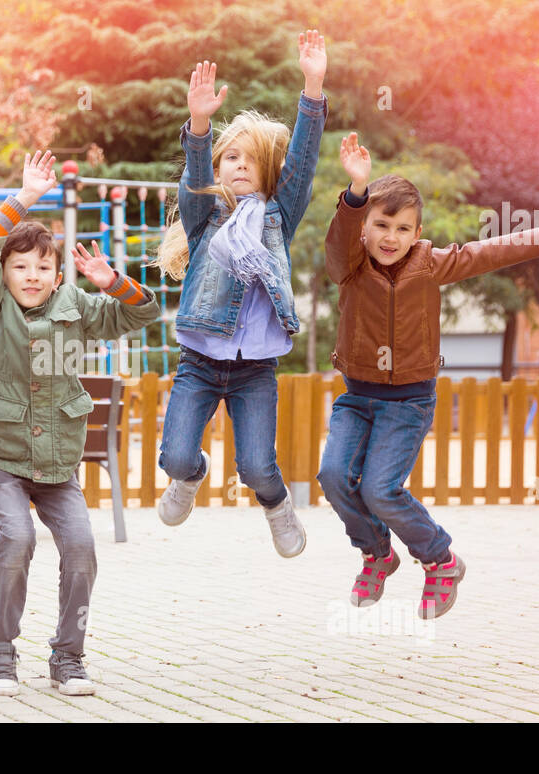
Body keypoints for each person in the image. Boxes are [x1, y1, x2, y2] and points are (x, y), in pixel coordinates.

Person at [320, 131, 539, 618]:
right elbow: (338, 241)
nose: (392, 238)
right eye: (382, 225)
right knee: (333, 477)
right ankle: (377, 554)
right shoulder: (349, 266)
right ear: (364, 228)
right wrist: (355, 193)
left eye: (404, 229)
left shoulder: (431, 265)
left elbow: (499, 248)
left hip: (408, 402)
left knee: (379, 490)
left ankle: (440, 561)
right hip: (358, 396)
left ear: (417, 233)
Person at [0, 151, 160, 696]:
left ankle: (68, 657)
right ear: (5, 273)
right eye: (20, 267)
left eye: (43, 267)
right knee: (17, 540)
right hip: (2, 457)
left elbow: (139, 314)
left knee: (81, 550)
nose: (31, 276)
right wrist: (24, 196)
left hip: (58, 465)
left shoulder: (76, 303)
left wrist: (111, 280)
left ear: (57, 273)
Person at [152, 31, 329, 558]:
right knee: (177, 457)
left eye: (252, 159)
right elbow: (196, 175)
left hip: (256, 368)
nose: (241, 165)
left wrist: (313, 85)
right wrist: (201, 125)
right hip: (200, 360)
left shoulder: (279, 214)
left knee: (256, 465)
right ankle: (189, 479)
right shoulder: (205, 217)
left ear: (268, 172)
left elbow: (303, 157)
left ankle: (277, 507)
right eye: (232, 157)